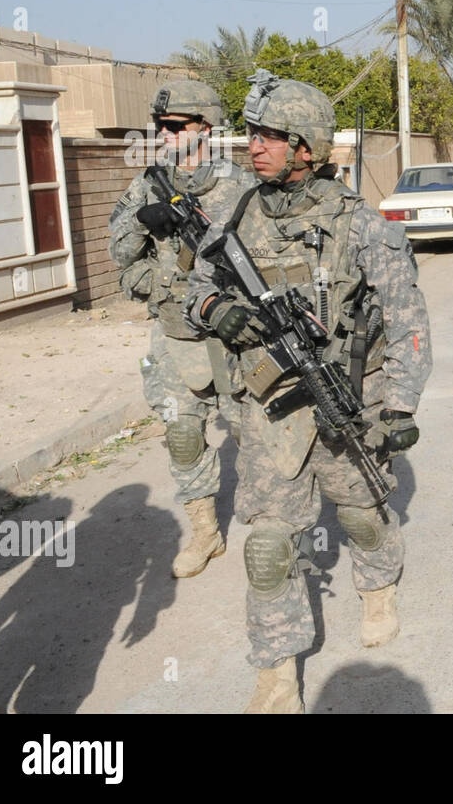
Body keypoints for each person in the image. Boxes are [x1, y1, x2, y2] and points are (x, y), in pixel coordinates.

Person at [185, 71, 431, 713]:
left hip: (348, 394)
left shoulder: (361, 226)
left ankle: (377, 586)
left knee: (359, 514)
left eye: (269, 137)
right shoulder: (234, 216)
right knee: (268, 547)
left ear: (306, 147)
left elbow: (406, 316)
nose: (254, 147)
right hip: (268, 411)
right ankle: (275, 675)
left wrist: (401, 406)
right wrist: (215, 307)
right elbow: (190, 290)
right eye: (252, 135)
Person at [108, 80, 251, 578]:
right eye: (159, 127)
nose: (163, 134)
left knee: (250, 431)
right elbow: (119, 254)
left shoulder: (242, 185)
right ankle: (206, 534)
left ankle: (276, 524)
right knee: (183, 436)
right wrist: (145, 221)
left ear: (204, 128)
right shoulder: (147, 183)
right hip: (172, 332)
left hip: (232, 334)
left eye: (173, 127)